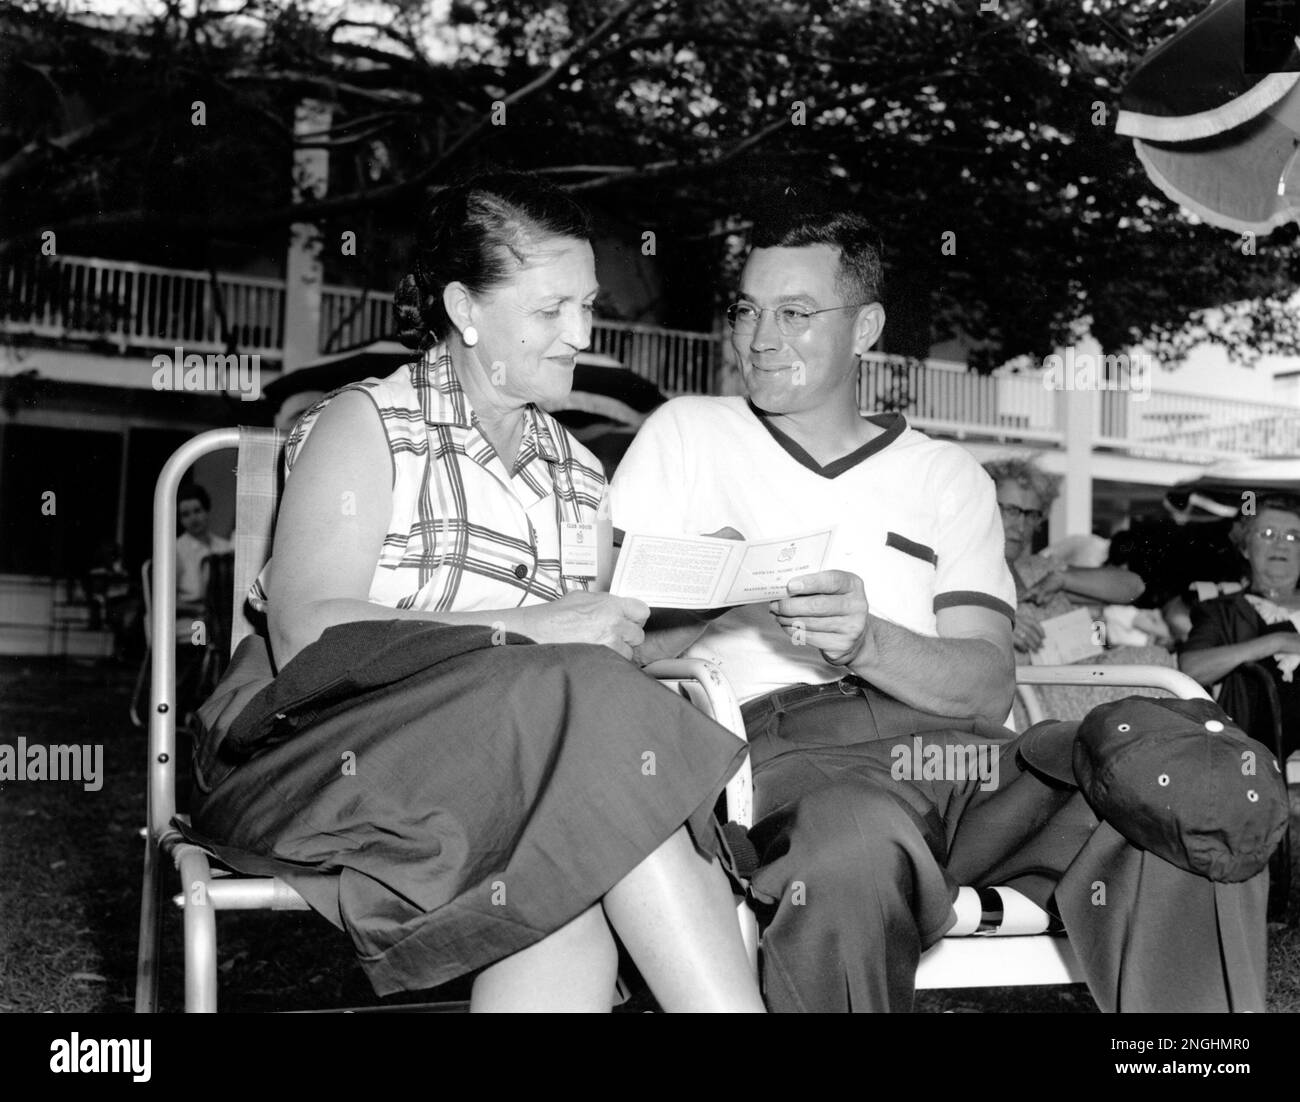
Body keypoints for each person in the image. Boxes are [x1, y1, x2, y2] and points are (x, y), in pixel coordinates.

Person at [610, 192, 1272, 1013]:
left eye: (795, 312)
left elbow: (989, 683)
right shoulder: (688, 433)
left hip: (958, 759)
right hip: (789, 753)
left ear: (865, 329)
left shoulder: (945, 473)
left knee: (1182, 792)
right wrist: (700, 595)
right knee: (850, 840)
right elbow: (617, 646)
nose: (761, 338)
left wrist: (867, 640)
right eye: (748, 310)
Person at [187, 172, 764, 1013]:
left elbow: (597, 665)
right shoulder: (369, 425)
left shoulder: (579, 473)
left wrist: (706, 598)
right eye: (549, 311)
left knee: (571, 854)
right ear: (463, 308)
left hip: (513, 774)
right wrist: (532, 625)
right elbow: (307, 634)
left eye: (587, 305)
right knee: (592, 800)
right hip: (324, 756)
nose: (581, 334)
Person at [984, 457, 1174, 725]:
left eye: (1032, 514)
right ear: (983, 505)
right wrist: (997, 627)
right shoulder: (966, 572)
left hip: (1085, 680)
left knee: (1160, 663)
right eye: (1012, 510)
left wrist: (1063, 579)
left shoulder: (1038, 569)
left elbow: (1133, 587)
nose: (1022, 525)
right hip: (1035, 704)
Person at [1180, 492, 1300, 763]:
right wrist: (1276, 642)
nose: (1281, 545)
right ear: (1245, 547)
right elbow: (1191, 668)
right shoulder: (1222, 611)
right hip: (1256, 764)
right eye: (1268, 534)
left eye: (1293, 537)